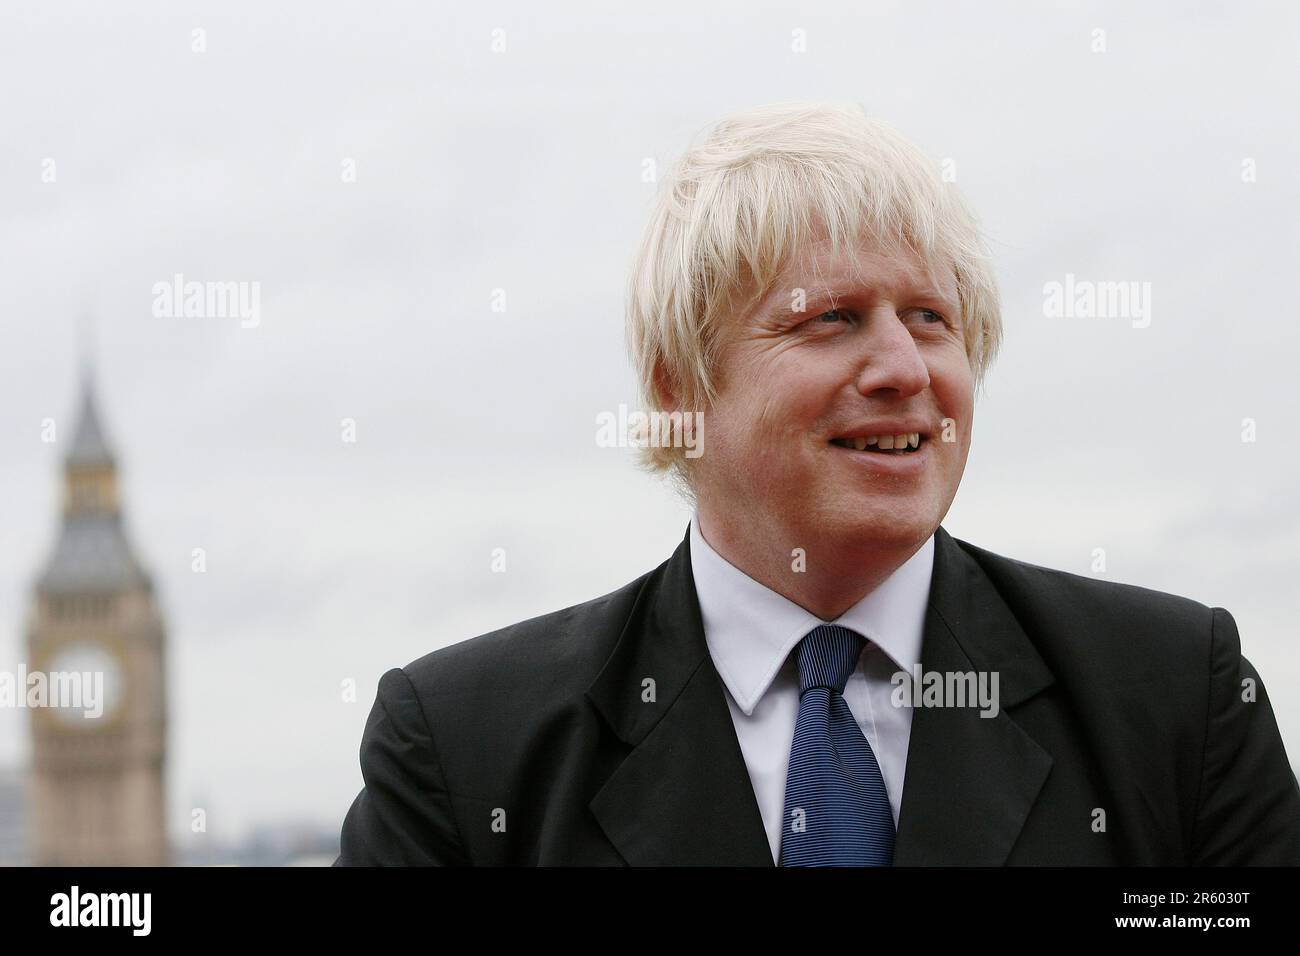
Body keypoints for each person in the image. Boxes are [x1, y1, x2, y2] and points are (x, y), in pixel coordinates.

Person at [335, 101, 1300, 865]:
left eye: (930, 317)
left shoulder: (1175, 700)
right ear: (683, 387)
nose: (903, 369)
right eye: (830, 318)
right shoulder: (468, 750)